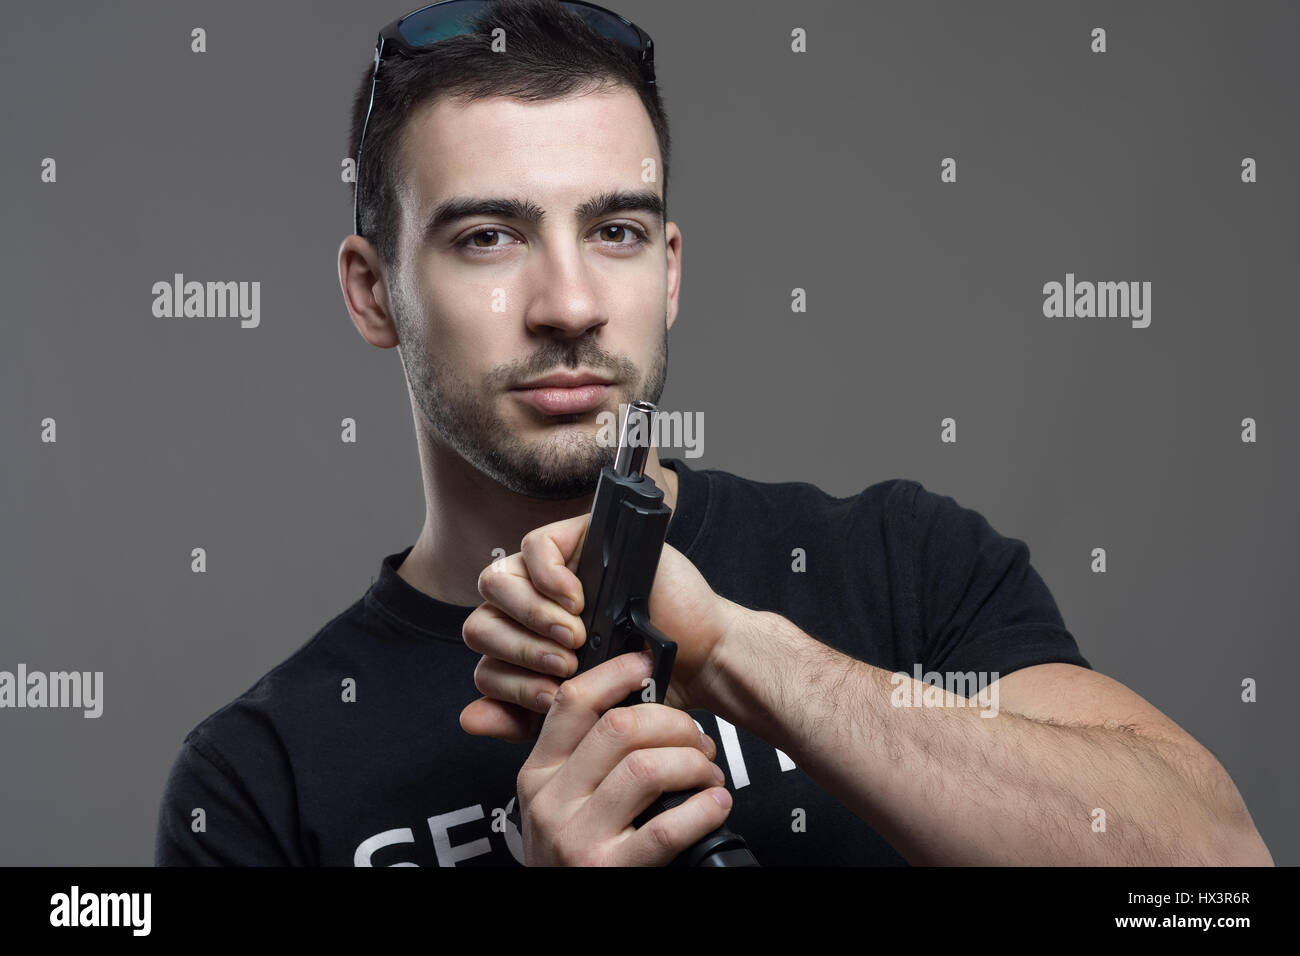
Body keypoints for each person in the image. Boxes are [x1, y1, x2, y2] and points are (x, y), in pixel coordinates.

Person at [154, 0, 1272, 867]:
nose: (571, 302)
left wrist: (738, 652)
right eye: (489, 236)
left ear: (671, 270)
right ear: (372, 292)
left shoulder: (901, 566)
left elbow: (1215, 868)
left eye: (617, 230)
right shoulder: (264, 775)